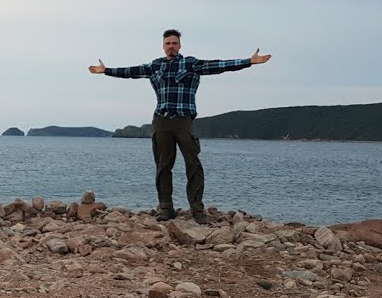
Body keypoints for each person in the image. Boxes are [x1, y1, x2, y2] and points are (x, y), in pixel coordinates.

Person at [88, 29, 272, 224]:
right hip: (161, 120)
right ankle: (166, 208)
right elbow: (130, 72)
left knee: (193, 164)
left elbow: (218, 66)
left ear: (180, 45)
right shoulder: (155, 66)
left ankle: (197, 210)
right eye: (168, 43)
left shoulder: (190, 64)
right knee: (163, 166)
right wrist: (106, 71)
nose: (171, 47)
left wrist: (249, 61)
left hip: (184, 121)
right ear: (163, 46)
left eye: (174, 43)